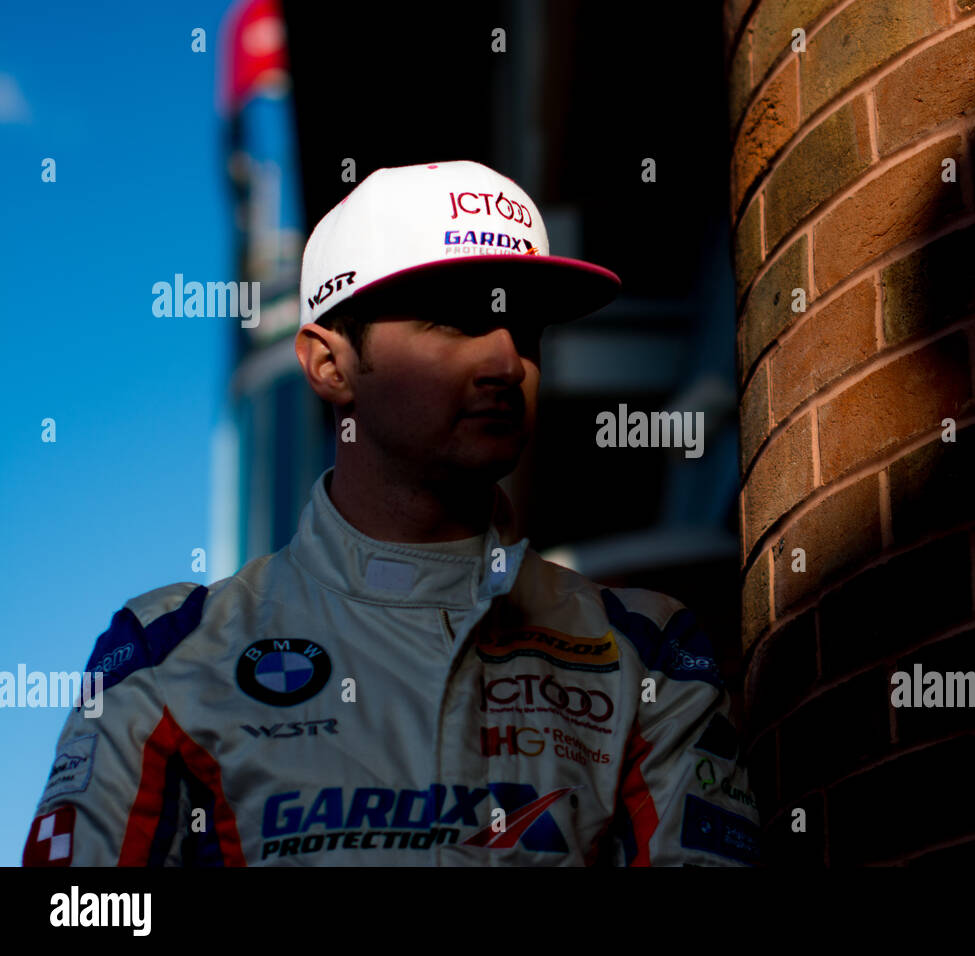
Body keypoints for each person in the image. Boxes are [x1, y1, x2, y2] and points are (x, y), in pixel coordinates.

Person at [22, 160, 761, 867]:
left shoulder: (648, 650)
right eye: (455, 321)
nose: (508, 362)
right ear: (328, 363)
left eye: (526, 328)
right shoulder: (167, 652)